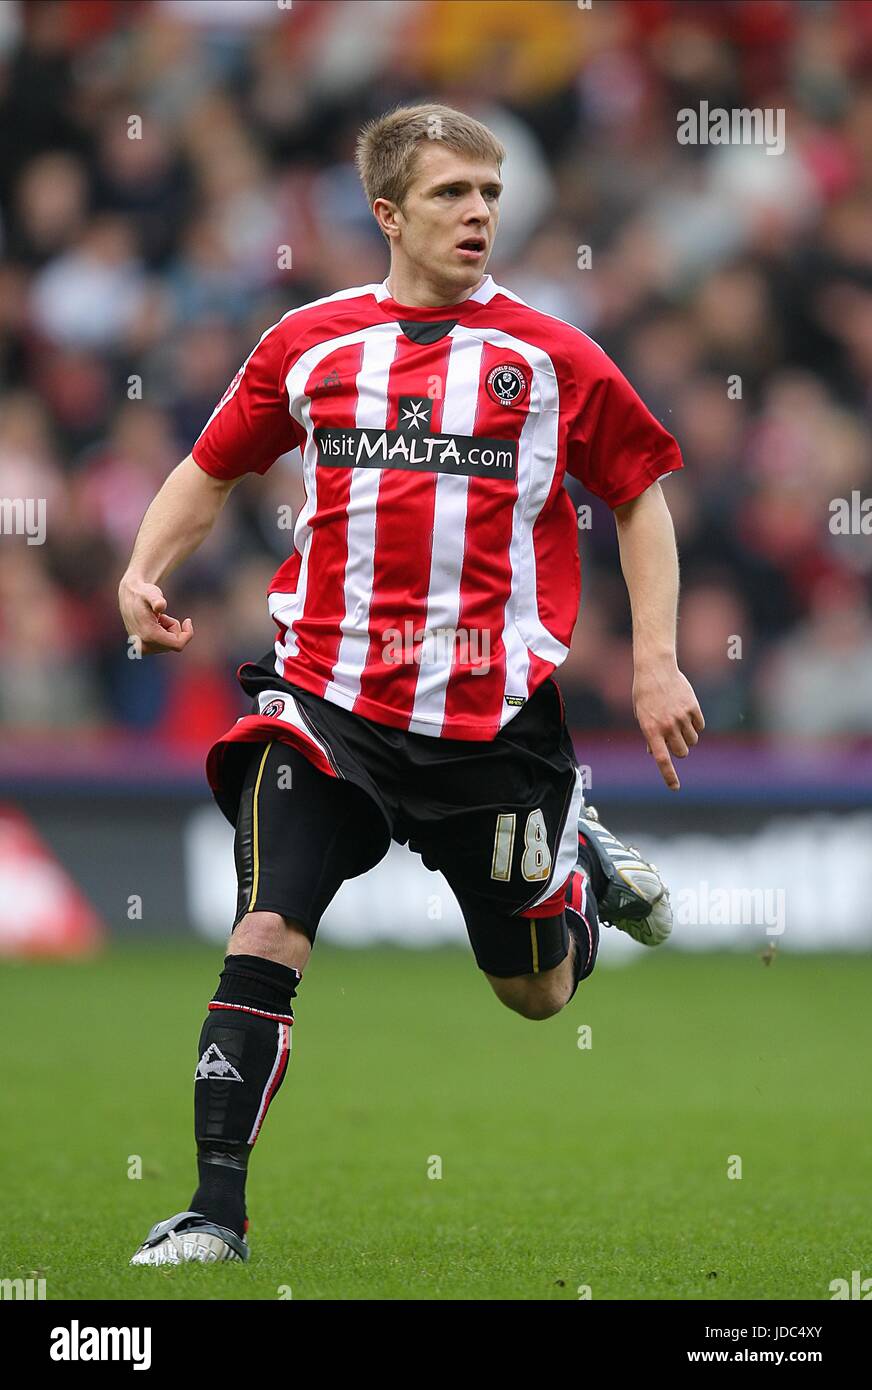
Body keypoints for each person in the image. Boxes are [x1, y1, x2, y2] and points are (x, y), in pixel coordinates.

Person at [120, 104, 704, 1266]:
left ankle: (572, 861)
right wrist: (144, 568)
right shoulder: (313, 344)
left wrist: (652, 660)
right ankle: (212, 1216)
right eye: (449, 194)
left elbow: (637, 491)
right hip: (326, 701)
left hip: (490, 726)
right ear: (387, 214)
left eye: (487, 192)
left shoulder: (552, 357)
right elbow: (209, 465)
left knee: (532, 996)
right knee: (267, 927)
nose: (478, 212)